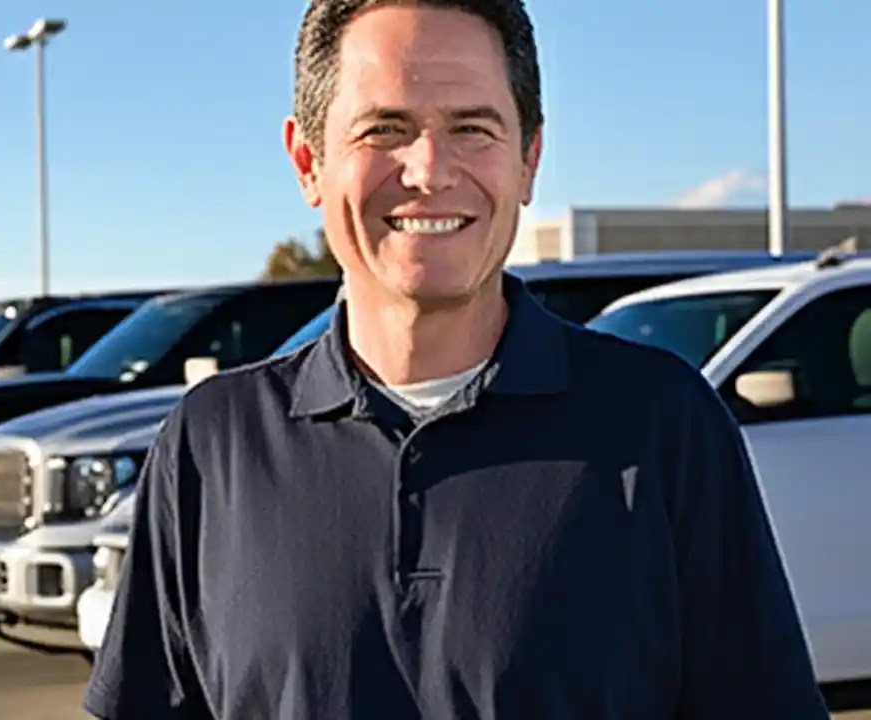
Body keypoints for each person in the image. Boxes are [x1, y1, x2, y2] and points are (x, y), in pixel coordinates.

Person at [84, 1, 830, 717]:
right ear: (308, 161)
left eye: (473, 127)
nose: (430, 170)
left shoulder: (662, 423)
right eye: (385, 129)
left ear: (529, 158)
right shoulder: (213, 444)